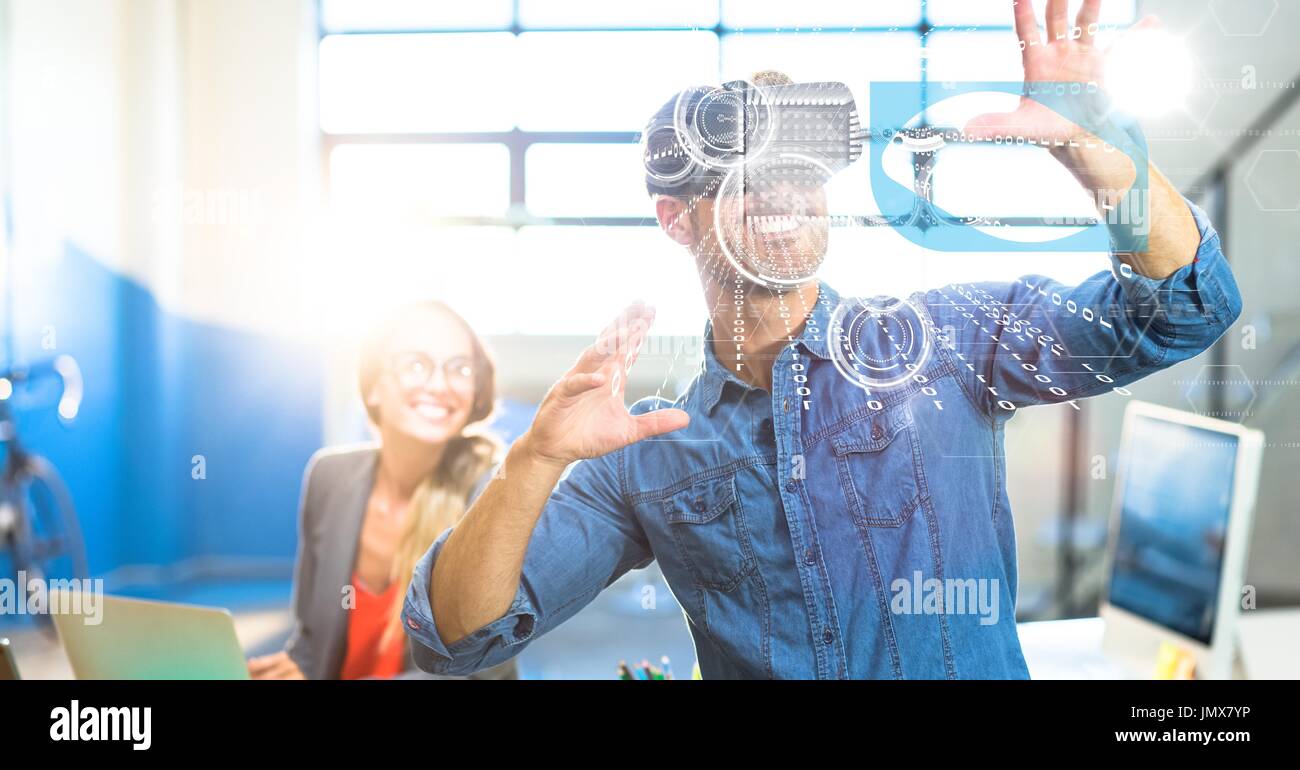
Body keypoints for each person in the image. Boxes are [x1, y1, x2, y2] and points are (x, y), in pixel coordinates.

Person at [401, 0, 1243, 678]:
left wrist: (1111, 168)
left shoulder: (948, 340)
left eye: (802, 162)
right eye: (743, 169)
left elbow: (1182, 310)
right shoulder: (645, 454)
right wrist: (533, 463)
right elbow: (455, 638)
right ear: (676, 219)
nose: (784, 186)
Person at [249, 301, 516, 680]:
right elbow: (311, 639)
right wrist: (297, 668)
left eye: (459, 368)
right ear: (373, 387)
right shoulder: (329, 476)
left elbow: (484, 671)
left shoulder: (492, 496)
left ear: (475, 392)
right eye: (416, 365)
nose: (438, 385)